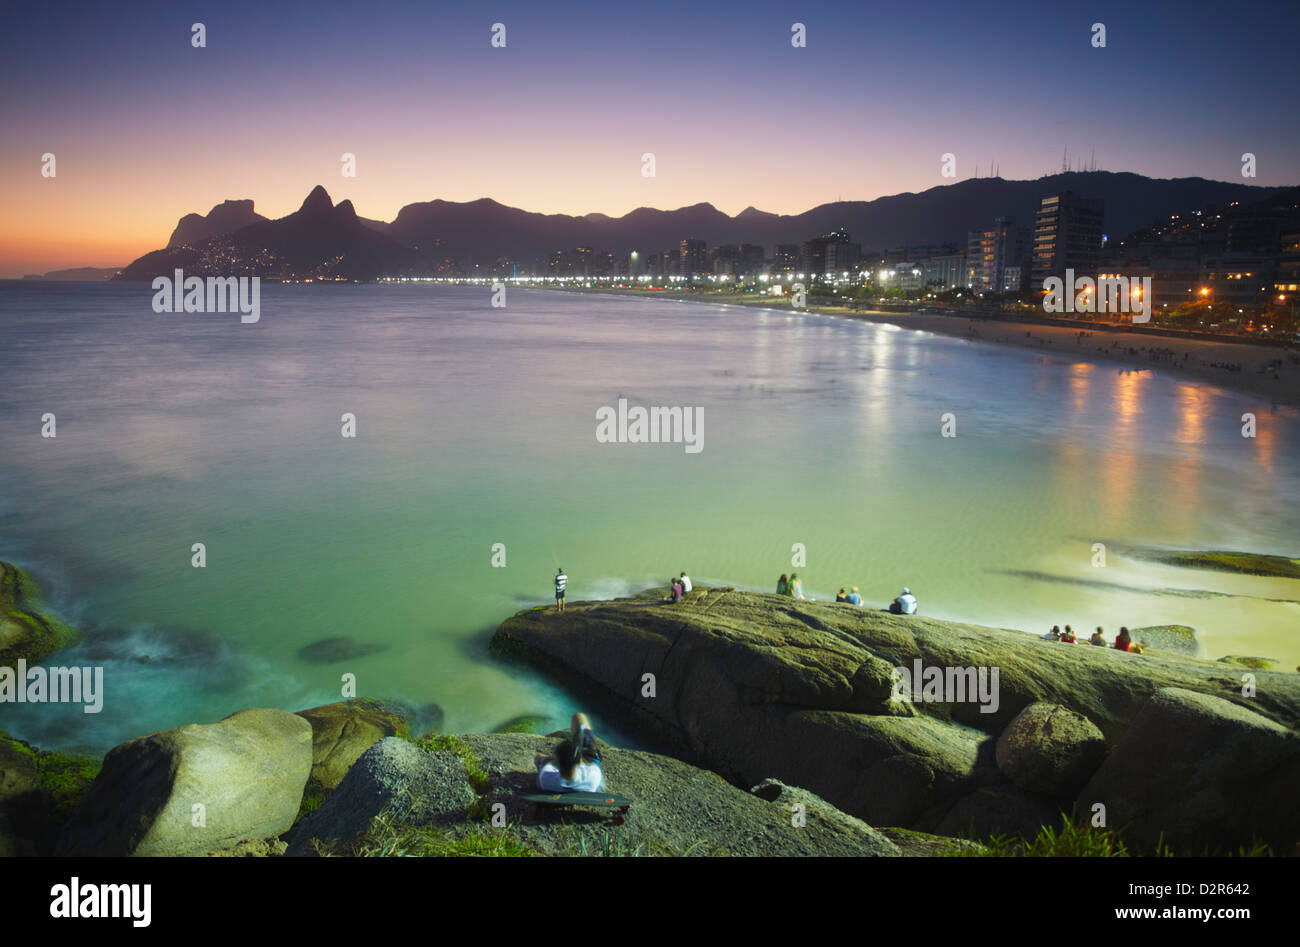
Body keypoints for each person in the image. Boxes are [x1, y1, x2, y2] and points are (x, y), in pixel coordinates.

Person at [535, 712, 604, 792]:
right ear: (581, 761)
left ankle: (576, 740)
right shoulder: (594, 774)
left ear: (556, 763)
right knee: (579, 717)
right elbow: (589, 764)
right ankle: (578, 737)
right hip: (587, 762)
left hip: (564, 770)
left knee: (538, 757)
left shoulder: (545, 777)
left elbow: (547, 763)